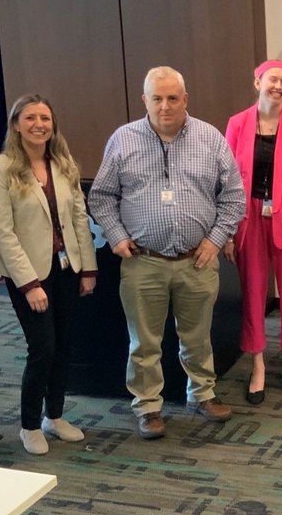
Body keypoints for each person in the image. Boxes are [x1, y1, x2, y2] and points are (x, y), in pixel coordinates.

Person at [89, 66, 245, 440]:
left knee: (198, 337)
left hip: (197, 260)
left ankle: (202, 394)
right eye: (157, 98)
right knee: (144, 343)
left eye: (173, 98)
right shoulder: (123, 140)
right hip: (144, 261)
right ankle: (148, 407)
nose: (165, 106)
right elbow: (102, 197)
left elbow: (233, 197)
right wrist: (116, 236)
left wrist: (215, 239)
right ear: (145, 100)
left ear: (185, 99)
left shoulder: (210, 138)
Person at [0, 95, 98, 455]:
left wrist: (88, 268)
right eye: (31, 118)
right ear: (16, 125)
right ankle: (30, 425)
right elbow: (3, 232)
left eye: (45, 118)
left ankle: (55, 416)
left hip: (66, 269)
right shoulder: (0, 168)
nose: (39, 125)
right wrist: (29, 285)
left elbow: (79, 219)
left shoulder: (63, 163)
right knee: (42, 348)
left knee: (63, 345)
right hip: (27, 274)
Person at [224, 60, 282, 404]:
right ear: (257, 82)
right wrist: (229, 232)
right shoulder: (237, 123)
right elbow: (227, 181)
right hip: (248, 220)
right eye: (273, 80)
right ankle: (258, 365)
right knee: (252, 293)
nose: (279, 86)